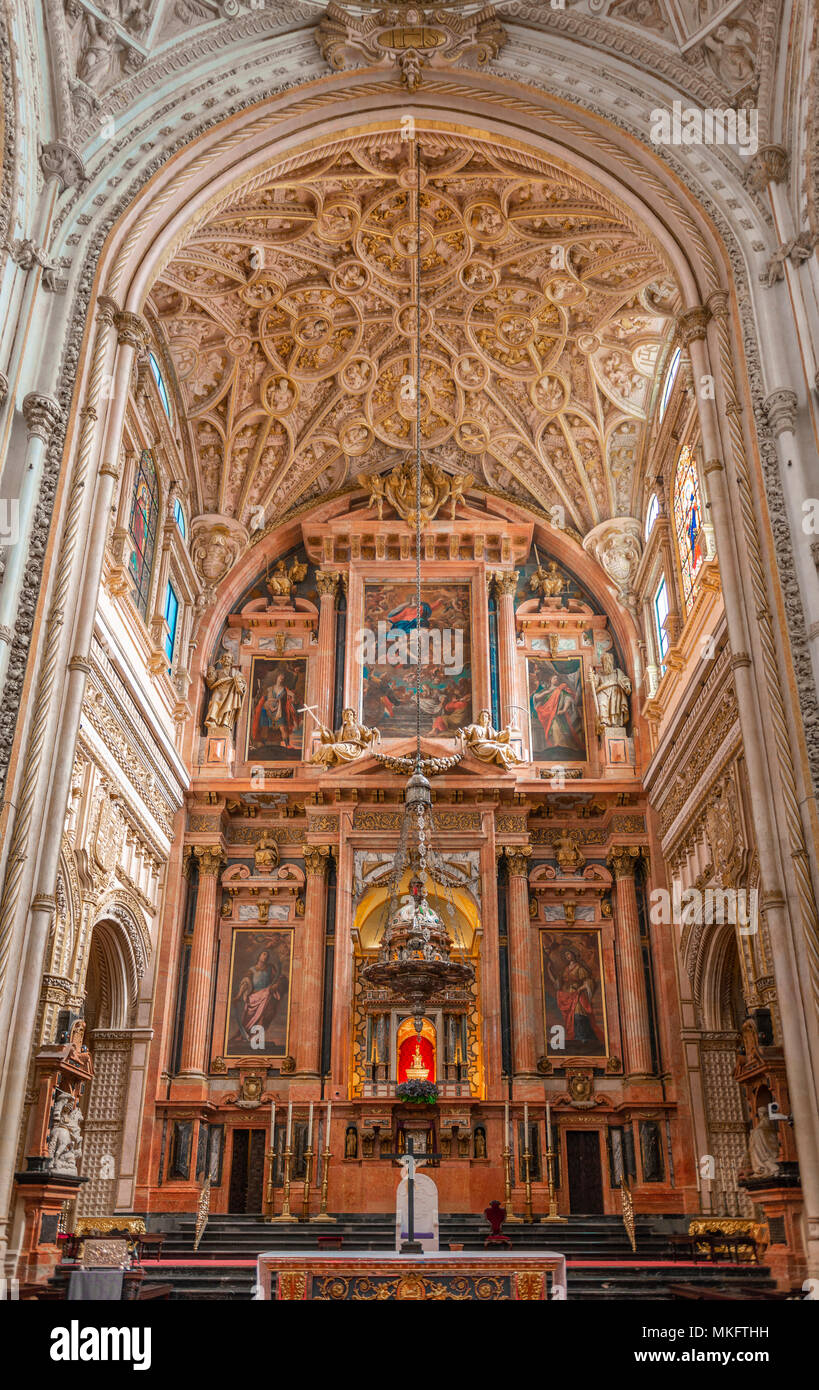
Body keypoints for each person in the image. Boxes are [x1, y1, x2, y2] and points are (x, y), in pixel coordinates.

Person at [232, 949, 282, 1047]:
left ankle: (256, 1038)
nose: (265, 956)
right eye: (263, 954)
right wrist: (239, 995)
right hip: (254, 997)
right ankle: (247, 1036)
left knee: (263, 1016)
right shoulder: (252, 970)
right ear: (258, 956)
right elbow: (245, 982)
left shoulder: (270, 968)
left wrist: (276, 985)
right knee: (247, 1020)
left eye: (267, 955)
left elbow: (278, 978)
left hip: (266, 994)